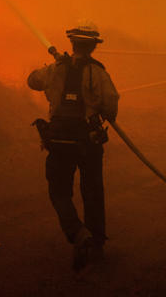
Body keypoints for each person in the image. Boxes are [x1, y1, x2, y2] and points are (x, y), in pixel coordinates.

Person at [27, 21, 119, 271]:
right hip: (88, 141)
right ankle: (96, 245)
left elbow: (32, 81)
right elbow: (111, 105)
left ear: (72, 43)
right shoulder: (97, 72)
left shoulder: (56, 69)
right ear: (93, 47)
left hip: (58, 141)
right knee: (92, 192)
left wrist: (56, 67)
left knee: (59, 191)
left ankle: (78, 234)